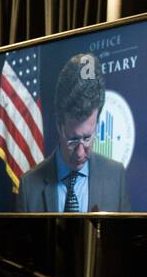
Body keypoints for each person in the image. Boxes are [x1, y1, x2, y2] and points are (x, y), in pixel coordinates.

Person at [17, 53, 131, 213]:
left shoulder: (116, 176)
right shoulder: (29, 186)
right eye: (73, 139)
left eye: (87, 138)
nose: (79, 153)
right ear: (59, 125)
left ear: (97, 123)